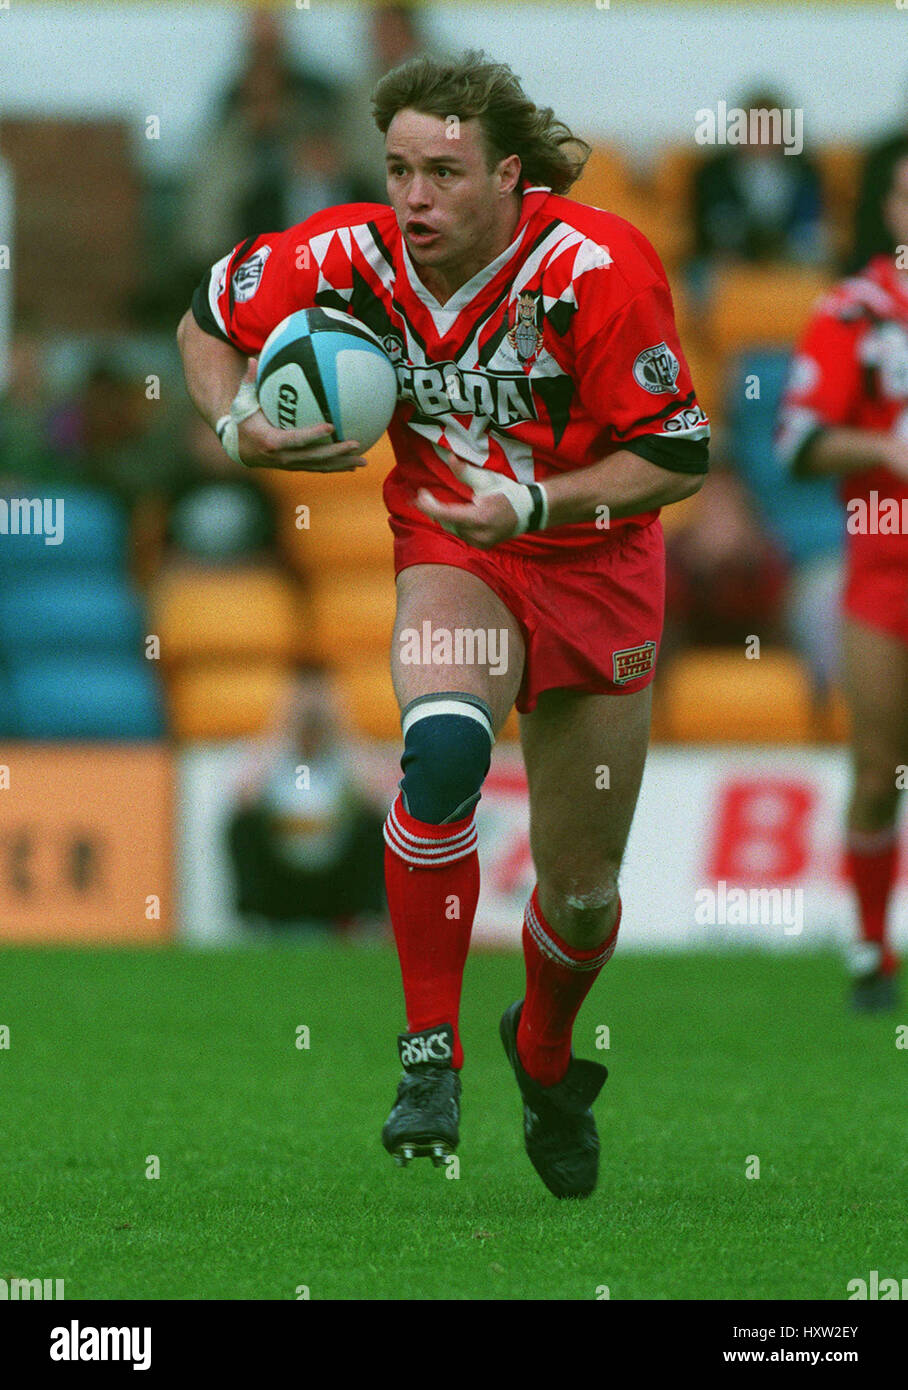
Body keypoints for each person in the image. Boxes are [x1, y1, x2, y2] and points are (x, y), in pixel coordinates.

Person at [177, 51, 709, 1197]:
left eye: (444, 173)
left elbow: (675, 455)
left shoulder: (596, 269)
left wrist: (539, 500)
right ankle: (429, 1054)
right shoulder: (347, 254)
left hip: (596, 564)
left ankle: (544, 1049)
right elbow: (204, 320)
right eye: (399, 169)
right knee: (444, 749)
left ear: (509, 176)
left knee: (578, 895)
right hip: (453, 548)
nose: (414, 197)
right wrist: (233, 429)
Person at [776, 151, 908, 1012]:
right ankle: (868, 945)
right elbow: (797, 441)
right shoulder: (853, 310)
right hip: (885, 566)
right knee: (877, 769)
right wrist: (881, 448)